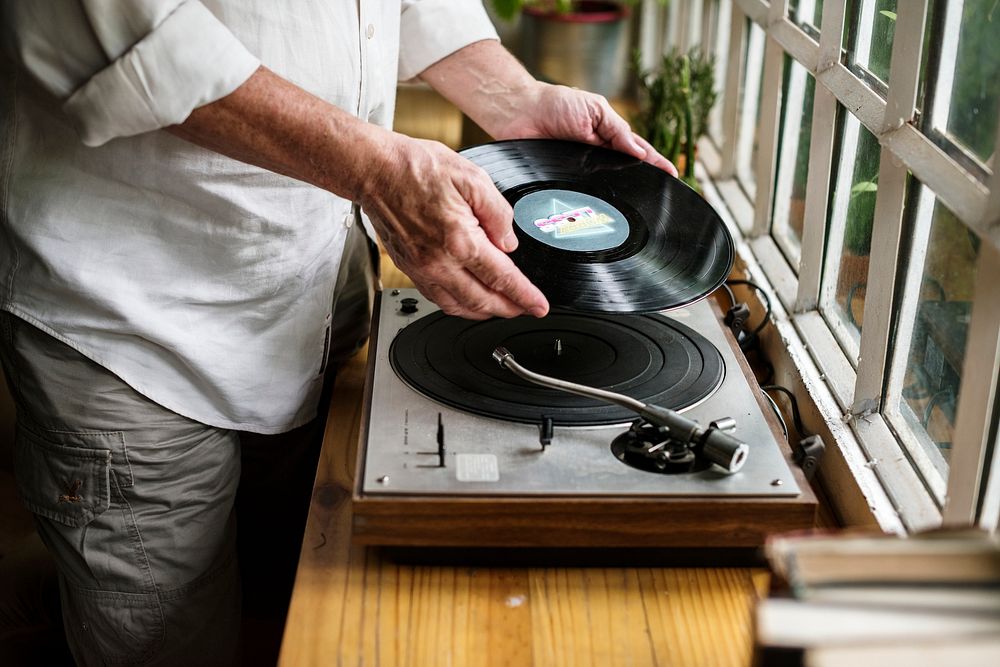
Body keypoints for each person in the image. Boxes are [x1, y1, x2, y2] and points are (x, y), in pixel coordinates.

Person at [0, 1, 675, 664]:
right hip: (133, 322)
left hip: (318, 292)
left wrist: (515, 96)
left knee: (293, 605)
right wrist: (376, 169)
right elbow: (126, 36)